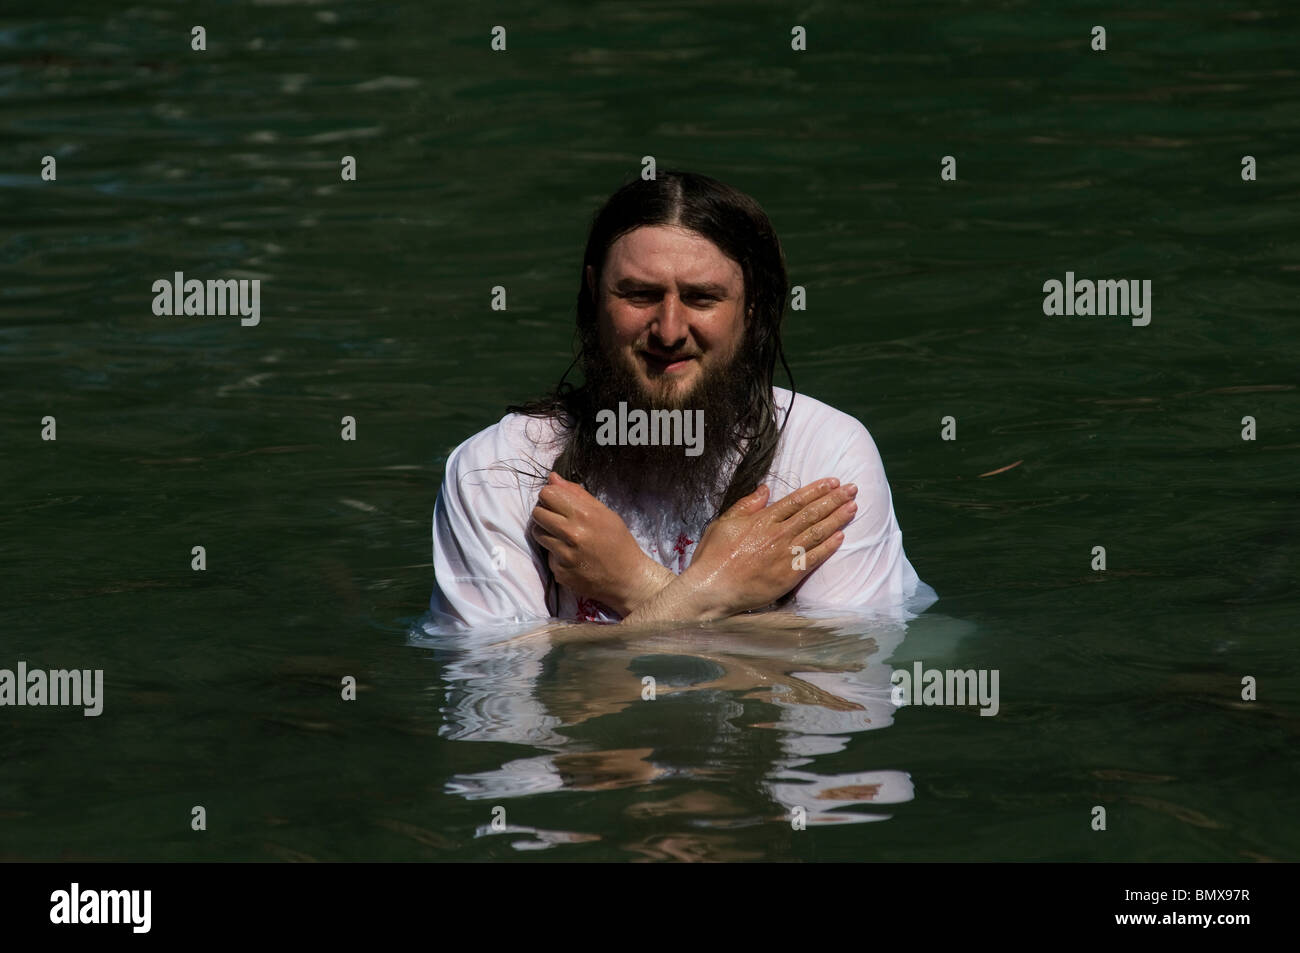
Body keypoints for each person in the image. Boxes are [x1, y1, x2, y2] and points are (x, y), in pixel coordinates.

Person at [430, 170, 934, 628]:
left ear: (752, 306)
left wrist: (631, 581)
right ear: (592, 294)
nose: (669, 331)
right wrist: (724, 597)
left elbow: (845, 676)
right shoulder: (496, 469)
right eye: (640, 295)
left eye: (701, 298)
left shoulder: (825, 454)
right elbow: (502, 691)